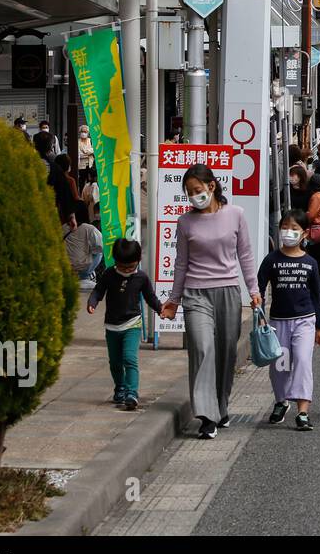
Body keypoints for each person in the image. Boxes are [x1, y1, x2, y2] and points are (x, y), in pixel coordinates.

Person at [160, 164, 261, 440]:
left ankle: (221, 406)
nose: (194, 196)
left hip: (227, 290)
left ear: (212, 186)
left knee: (226, 351)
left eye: (197, 190)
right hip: (195, 293)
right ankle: (206, 415)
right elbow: (181, 263)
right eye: (189, 193)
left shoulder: (236, 215)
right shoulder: (185, 222)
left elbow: (246, 256)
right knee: (202, 349)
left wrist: (253, 290)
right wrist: (173, 299)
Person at [257, 210, 320, 432]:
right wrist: (260, 316)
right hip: (278, 322)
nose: (289, 232)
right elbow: (259, 287)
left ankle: (303, 411)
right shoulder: (271, 259)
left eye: (294, 228)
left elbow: (316, 295)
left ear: (304, 233)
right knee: (279, 366)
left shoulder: (310, 263)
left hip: (305, 321)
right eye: (285, 227)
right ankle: (281, 401)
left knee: (303, 361)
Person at [85, 238, 159, 411]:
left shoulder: (141, 277)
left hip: (132, 324)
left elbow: (150, 297)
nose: (126, 270)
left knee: (129, 358)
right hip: (112, 326)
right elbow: (98, 290)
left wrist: (161, 309)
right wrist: (92, 302)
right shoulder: (109, 274)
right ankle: (120, 387)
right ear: (115, 261)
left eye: (131, 267)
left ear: (138, 261)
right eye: (122, 266)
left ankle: (132, 393)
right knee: (115, 362)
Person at [62, 211, 104, 286]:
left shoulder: (63, 228)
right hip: (83, 271)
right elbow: (102, 247)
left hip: (67, 271)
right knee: (99, 252)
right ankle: (87, 276)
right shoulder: (89, 229)